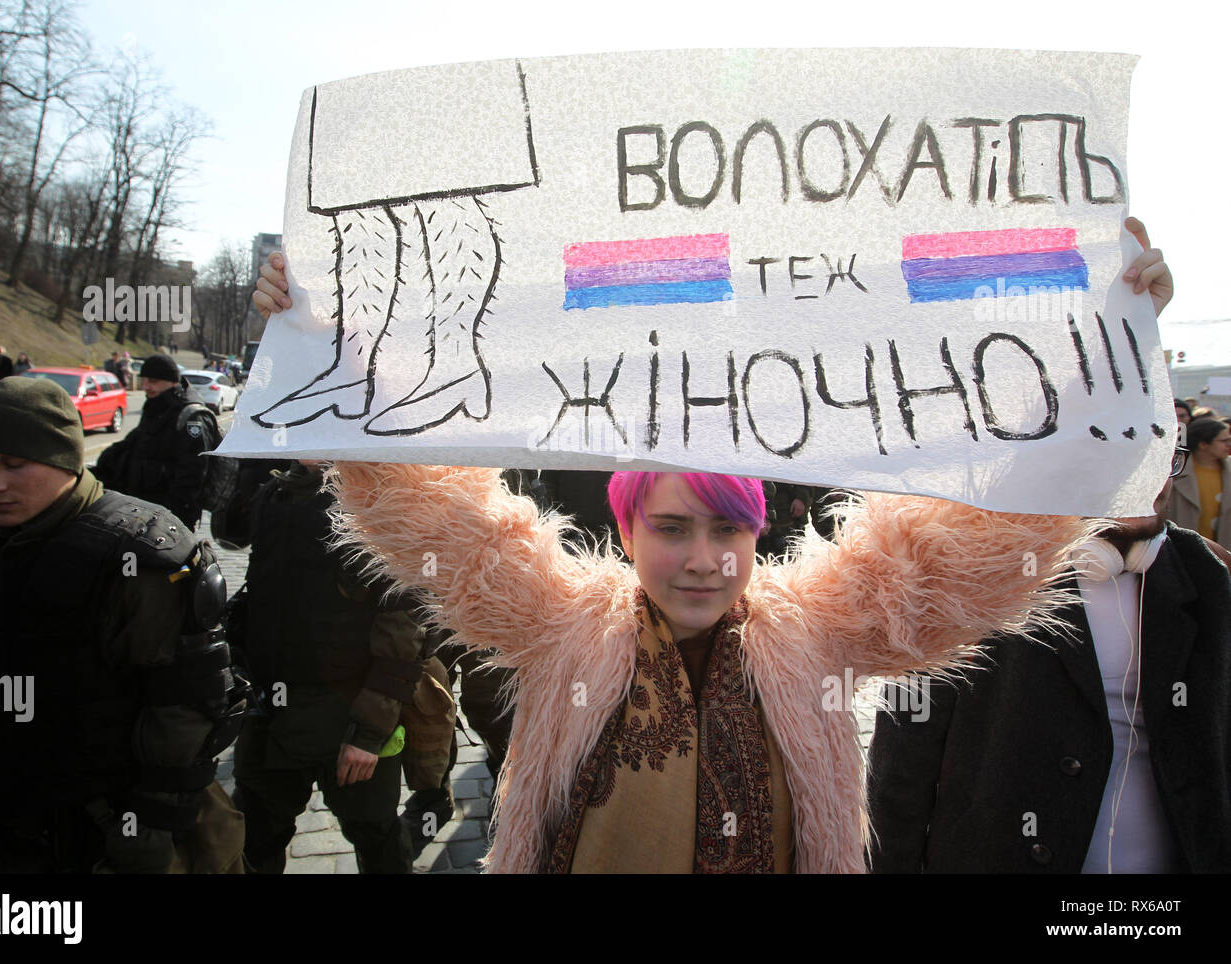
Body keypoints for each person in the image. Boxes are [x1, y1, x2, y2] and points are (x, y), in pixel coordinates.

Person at [255, 231, 1170, 872]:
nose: (702, 559)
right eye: (672, 527)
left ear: (757, 530)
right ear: (624, 531)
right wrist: (319, 346)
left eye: (726, 529)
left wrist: (1108, 347)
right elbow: (427, 512)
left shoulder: (824, 629)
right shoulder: (557, 619)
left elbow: (985, 548)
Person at [866, 442, 1231, 872]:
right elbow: (903, 761)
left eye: (1163, 453)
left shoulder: (1207, 575)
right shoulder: (966, 574)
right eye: (1127, 450)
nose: (1150, 475)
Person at [0, 377, 247, 873]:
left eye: (14, 464)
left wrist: (148, 834)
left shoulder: (142, 557)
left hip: (101, 830)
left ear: (64, 459)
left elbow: (186, 710)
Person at [228, 460, 429, 873]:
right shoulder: (276, 492)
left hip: (350, 719)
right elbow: (237, 547)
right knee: (254, 838)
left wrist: (370, 732)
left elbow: (405, 626)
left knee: (378, 842)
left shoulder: (380, 501)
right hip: (271, 716)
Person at [94, 353, 216, 530]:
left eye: (153, 381)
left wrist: (172, 514)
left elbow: (193, 472)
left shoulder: (190, 415)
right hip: (142, 506)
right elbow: (135, 444)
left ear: (173, 382)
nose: (146, 387)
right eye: (144, 380)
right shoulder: (156, 406)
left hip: (170, 516)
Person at [1165, 414, 1231, 549]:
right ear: (1203, 445)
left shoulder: (1228, 472)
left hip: (1223, 553)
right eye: (1224, 441)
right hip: (1185, 552)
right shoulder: (1174, 473)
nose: (1229, 445)